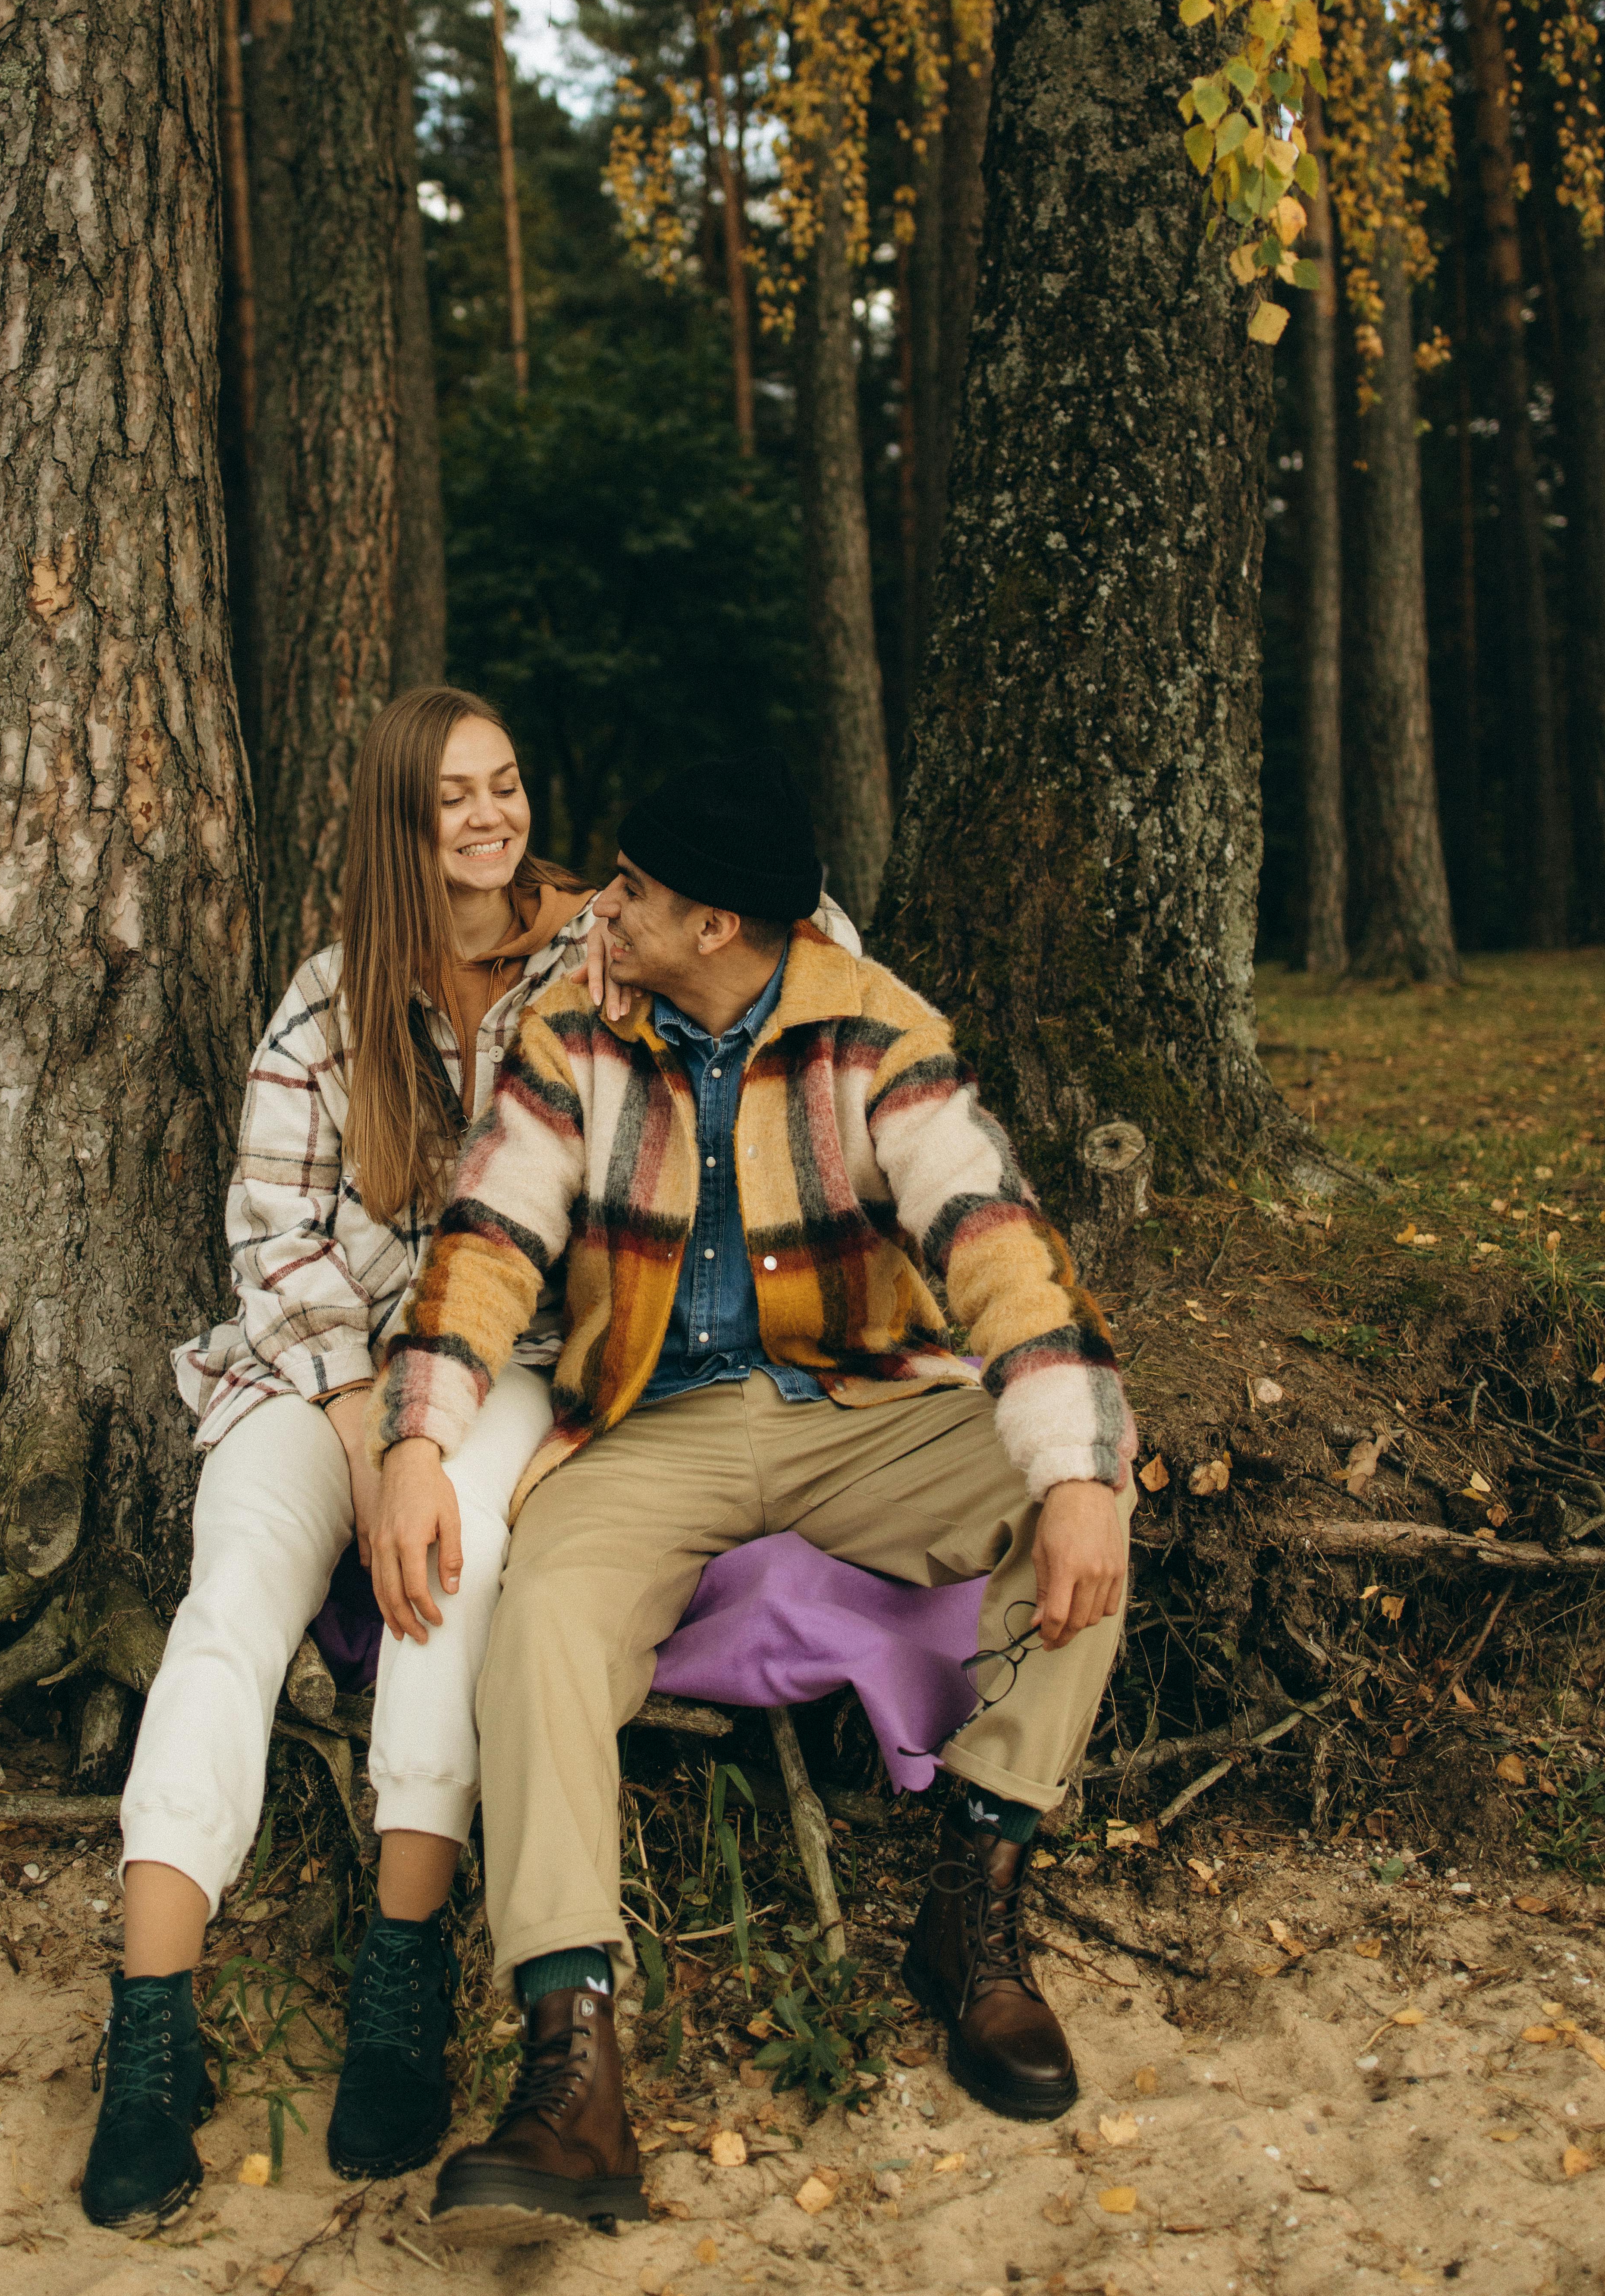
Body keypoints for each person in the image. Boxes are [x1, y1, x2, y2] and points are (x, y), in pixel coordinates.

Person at [366, 751, 1135, 2242]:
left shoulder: (876, 1030)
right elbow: (484, 1242)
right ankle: (573, 2070)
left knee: (1083, 1476)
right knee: (546, 1621)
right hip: (652, 1422)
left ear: (717, 925)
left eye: (637, 893)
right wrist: (415, 1437)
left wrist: (1077, 1468)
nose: (603, 908)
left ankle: (974, 1905)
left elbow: (994, 1242)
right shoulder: (577, 1026)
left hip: (863, 1404)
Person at [79, 687, 594, 2229]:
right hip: (316, 1380)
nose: (494, 817)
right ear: (401, 823)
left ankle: (401, 1969)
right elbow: (278, 1251)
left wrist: (431, 1455)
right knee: (236, 1586)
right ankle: (148, 2033)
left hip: (510, 1358)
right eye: (457, 797)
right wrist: (378, 1441)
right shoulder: (326, 1005)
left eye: (507, 786)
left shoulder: (584, 959)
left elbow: (785, 919)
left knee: (457, 1564)